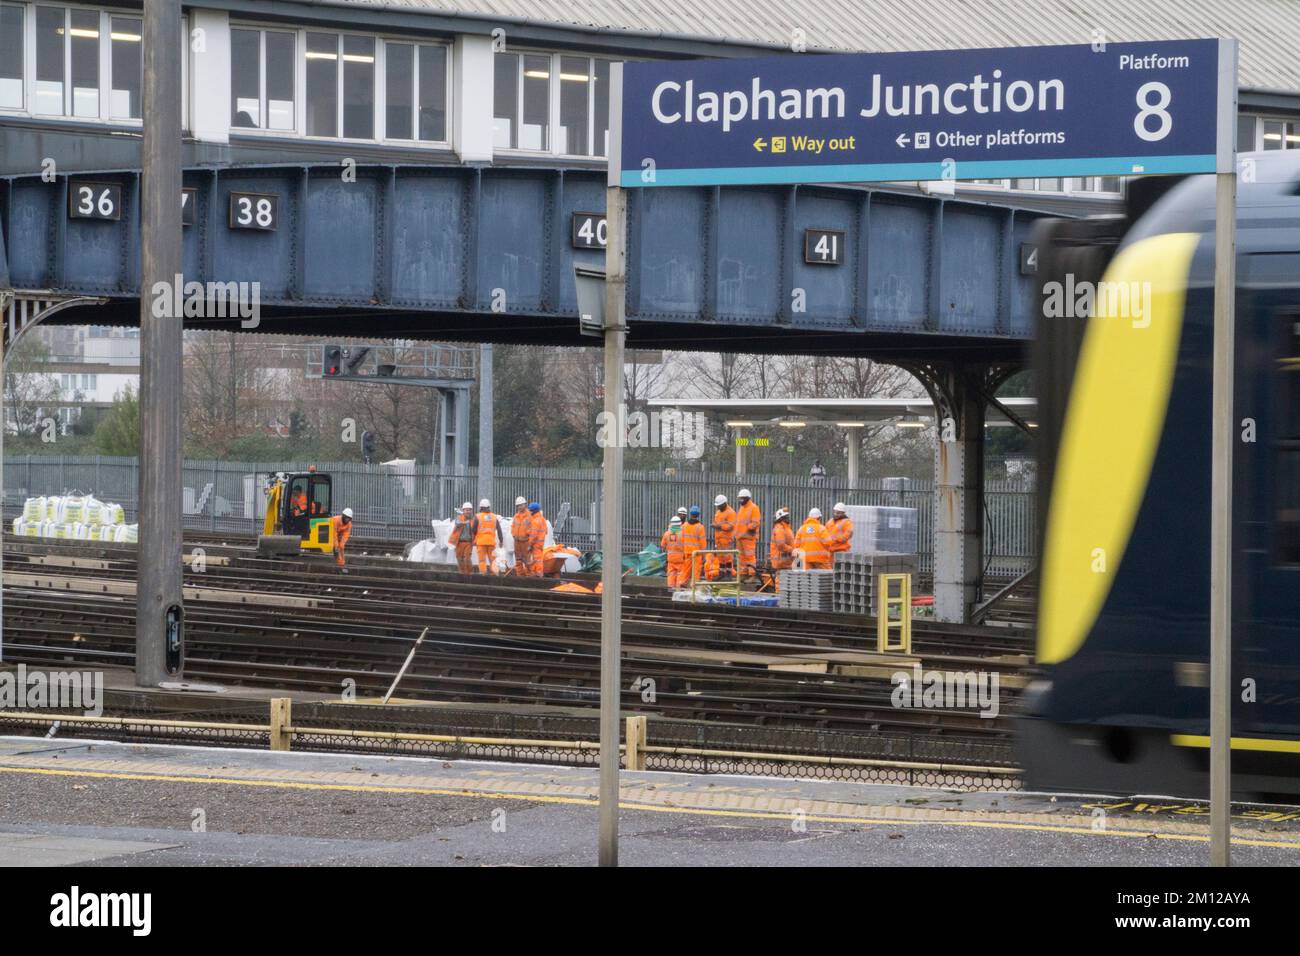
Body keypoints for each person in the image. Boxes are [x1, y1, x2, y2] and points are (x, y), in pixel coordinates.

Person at [734, 488, 762, 579]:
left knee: (749, 556)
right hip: (740, 537)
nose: (740, 500)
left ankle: (752, 575)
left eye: (742, 498)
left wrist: (748, 529)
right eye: (740, 498)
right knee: (742, 558)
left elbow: (755, 523)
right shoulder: (742, 508)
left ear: (747, 498)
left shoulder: (754, 508)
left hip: (748, 538)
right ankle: (743, 574)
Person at [710, 494, 737, 578]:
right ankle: (721, 574)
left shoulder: (731, 512)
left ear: (724, 503)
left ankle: (728, 574)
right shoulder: (718, 513)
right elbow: (715, 522)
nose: (718, 507)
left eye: (719, 505)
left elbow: (730, 526)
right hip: (719, 540)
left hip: (727, 539)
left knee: (728, 557)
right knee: (721, 557)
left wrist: (719, 526)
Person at [474, 498, 504, 573]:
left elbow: (473, 529)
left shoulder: (478, 516)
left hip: (481, 542)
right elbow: (499, 530)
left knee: (482, 560)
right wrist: (501, 540)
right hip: (491, 542)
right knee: (493, 560)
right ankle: (494, 575)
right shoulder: (494, 517)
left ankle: (483, 575)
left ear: (480, 507)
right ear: (489, 507)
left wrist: (474, 538)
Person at [680, 506, 708, 584]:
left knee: (685, 571)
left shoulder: (684, 526)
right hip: (697, 554)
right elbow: (703, 543)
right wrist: (704, 555)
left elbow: (681, 539)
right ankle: (694, 587)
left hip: (687, 552)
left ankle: (682, 584)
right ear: (698, 514)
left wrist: (682, 551)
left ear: (690, 514)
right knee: (696, 572)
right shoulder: (700, 527)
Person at [448, 502, 476, 574]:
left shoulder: (474, 519)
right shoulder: (459, 518)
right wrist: (465, 522)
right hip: (459, 542)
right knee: (459, 558)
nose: (468, 511)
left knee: (467, 558)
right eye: (466, 510)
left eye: (469, 510)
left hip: (468, 542)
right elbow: (457, 523)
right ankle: (462, 573)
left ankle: (469, 573)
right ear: (463, 511)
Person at [661, 515, 686, 589]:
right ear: (680, 524)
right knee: (680, 574)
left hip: (671, 558)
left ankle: (670, 589)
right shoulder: (683, 534)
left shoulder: (666, 533)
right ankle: (678, 590)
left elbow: (662, 546)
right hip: (681, 559)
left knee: (671, 574)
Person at [769, 507, 795, 572]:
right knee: (780, 579)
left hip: (785, 560)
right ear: (781, 518)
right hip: (781, 561)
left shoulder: (786, 528)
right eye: (786, 516)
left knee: (785, 579)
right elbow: (781, 545)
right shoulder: (779, 529)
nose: (788, 518)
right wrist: (792, 550)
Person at [511, 496, 532, 576]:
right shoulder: (516, 516)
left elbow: (532, 528)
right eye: (518, 505)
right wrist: (513, 534)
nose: (519, 507)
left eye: (521, 505)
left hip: (526, 541)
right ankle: (520, 575)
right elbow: (513, 526)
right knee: (518, 559)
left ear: (525, 505)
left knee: (527, 560)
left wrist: (527, 534)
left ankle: (528, 575)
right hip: (517, 541)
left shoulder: (529, 516)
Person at [526, 502, 548, 576]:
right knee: (537, 559)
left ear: (534, 511)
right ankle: (536, 573)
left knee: (537, 560)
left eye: (530, 510)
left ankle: (538, 574)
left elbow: (533, 535)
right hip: (540, 543)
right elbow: (546, 531)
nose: (529, 512)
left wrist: (529, 544)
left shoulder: (535, 521)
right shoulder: (542, 519)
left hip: (536, 544)